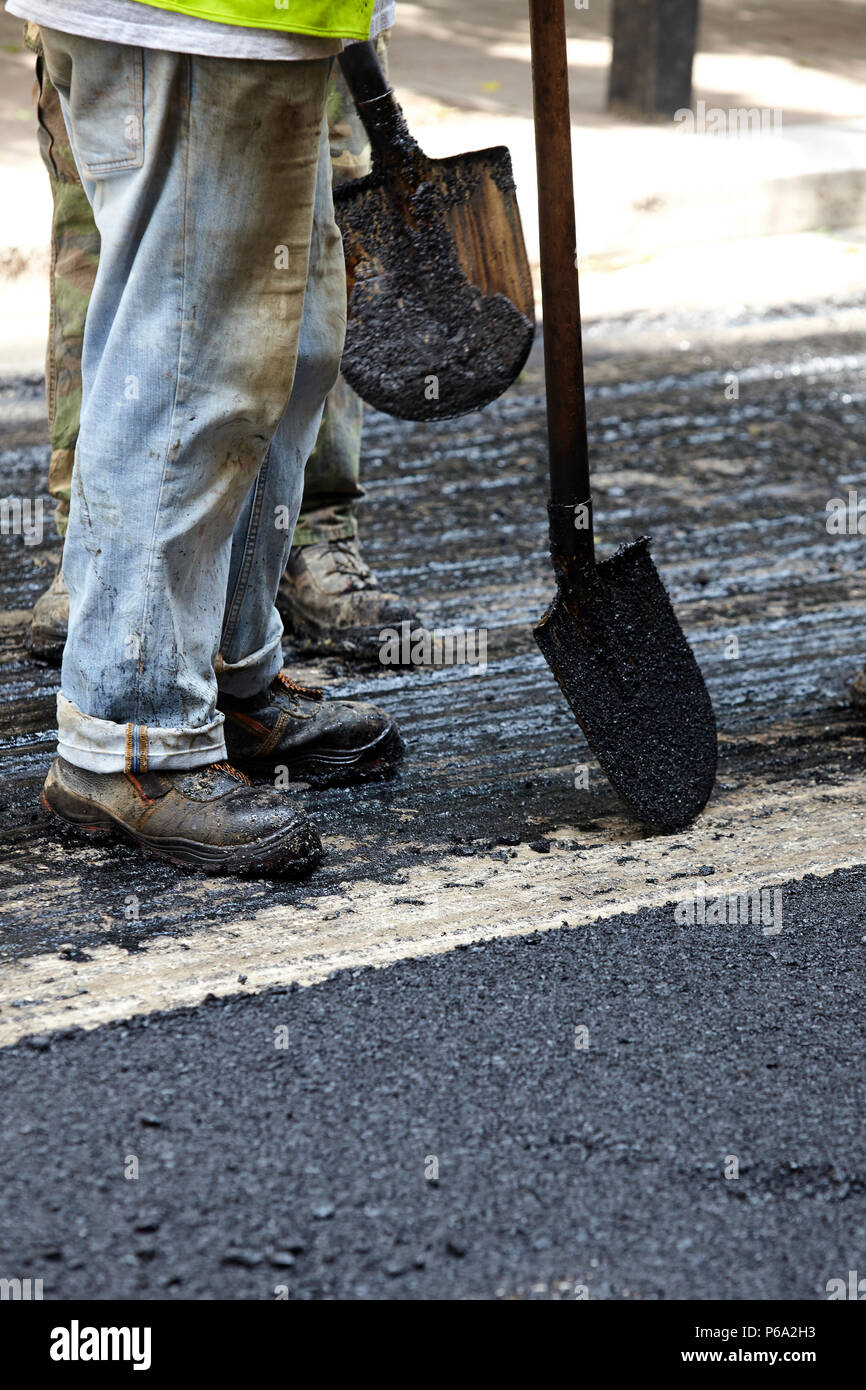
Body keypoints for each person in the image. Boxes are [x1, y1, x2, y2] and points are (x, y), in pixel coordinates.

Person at [6, 0, 405, 876]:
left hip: (270, 21)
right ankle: (132, 738)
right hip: (184, 20)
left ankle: (226, 676)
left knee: (287, 346)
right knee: (191, 365)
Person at [24, 13, 419, 662]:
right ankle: (96, 553)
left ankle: (304, 537)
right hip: (124, 19)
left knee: (319, 250)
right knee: (114, 256)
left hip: (315, 21)